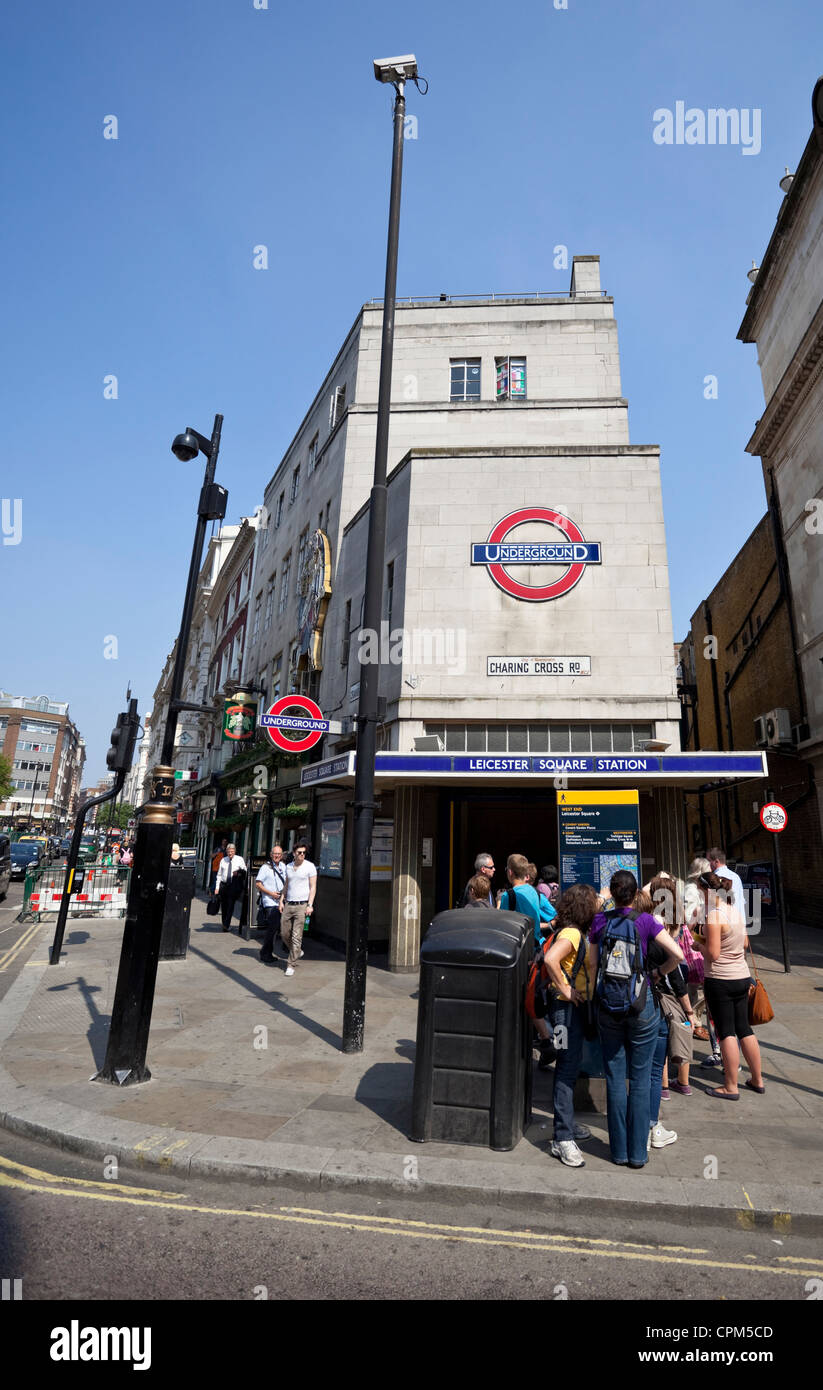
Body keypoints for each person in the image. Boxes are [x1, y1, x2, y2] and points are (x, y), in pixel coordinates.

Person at [589, 870, 683, 1168]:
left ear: (614, 894)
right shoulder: (646, 921)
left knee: (616, 1079)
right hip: (641, 1006)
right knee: (641, 1079)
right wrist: (657, 973)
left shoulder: (599, 922)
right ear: (635, 895)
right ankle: (638, 1155)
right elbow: (678, 954)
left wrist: (595, 996)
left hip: (609, 1006)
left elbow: (592, 965)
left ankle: (618, 1152)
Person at [692, 871, 765, 1100]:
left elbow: (712, 954)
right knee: (744, 1029)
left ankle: (731, 1086)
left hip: (720, 979)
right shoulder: (734, 911)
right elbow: (744, 942)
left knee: (726, 1032)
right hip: (741, 976)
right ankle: (757, 1080)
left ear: (705, 890)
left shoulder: (715, 916)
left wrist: (697, 946)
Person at [543, 882, 599, 1167]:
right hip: (564, 1011)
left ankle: (565, 1125)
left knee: (570, 1065)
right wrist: (565, 989)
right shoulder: (573, 933)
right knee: (565, 1068)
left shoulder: (575, 932)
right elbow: (550, 959)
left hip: (571, 1010)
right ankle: (562, 1138)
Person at [280, 842, 317, 975]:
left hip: (302, 905)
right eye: (299, 852)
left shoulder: (310, 867)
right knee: (284, 933)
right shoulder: (289, 867)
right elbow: (286, 884)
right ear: (294, 853)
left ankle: (291, 964)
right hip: (289, 904)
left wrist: (310, 905)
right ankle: (297, 951)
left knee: (297, 936)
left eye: (304, 853)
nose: (302, 855)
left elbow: (313, 887)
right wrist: (281, 900)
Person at [257, 844, 287, 963]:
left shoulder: (284, 866)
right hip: (270, 902)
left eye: (279, 854)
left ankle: (282, 949)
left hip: (282, 901)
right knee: (272, 929)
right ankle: (266, 953)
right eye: (275, 854)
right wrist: (271, 894)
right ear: (271, 855)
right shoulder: (265, 867)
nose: (277, 856)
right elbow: (258, 884)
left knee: (284, 927)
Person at [214, 843, 247, 932]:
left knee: (230, 905)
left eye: (232, 851)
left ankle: (226, 925)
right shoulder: (223, 860)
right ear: (226, 852)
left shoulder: (239, 859)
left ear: (235, 851)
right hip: (224, 886)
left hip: (234, 885)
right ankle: (224, 924)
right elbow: (219, 875)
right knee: (224, 906)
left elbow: (245, 871)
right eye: (228, 851)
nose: (230, 853)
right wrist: (217, 888)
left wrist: (239, 872)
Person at [707, 847, 746, 920]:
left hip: (725, 923)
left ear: (716, 861)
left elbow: (713, 903)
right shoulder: (736, 876)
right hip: (739, 921)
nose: (707, 864)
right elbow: (741, 901)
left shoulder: (715, 878)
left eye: (709, 861)